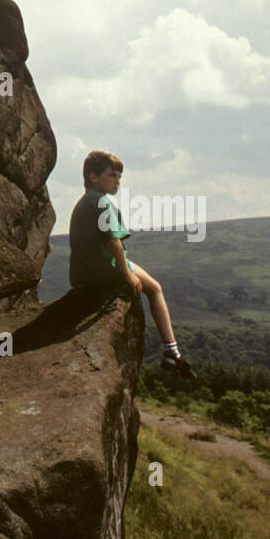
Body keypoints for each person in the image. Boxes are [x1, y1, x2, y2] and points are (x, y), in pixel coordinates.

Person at [69, 149, 196, 381]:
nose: (117, 181)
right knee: (155, 288)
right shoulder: (101, 202)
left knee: (149, 282)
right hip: (105, 271)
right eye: (112, 175)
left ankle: (172, 352)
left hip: (82, 275)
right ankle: (172, 351)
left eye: (119, 176)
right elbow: (114, 241)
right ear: (93, 177)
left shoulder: (83, 202)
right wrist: (127, 274)